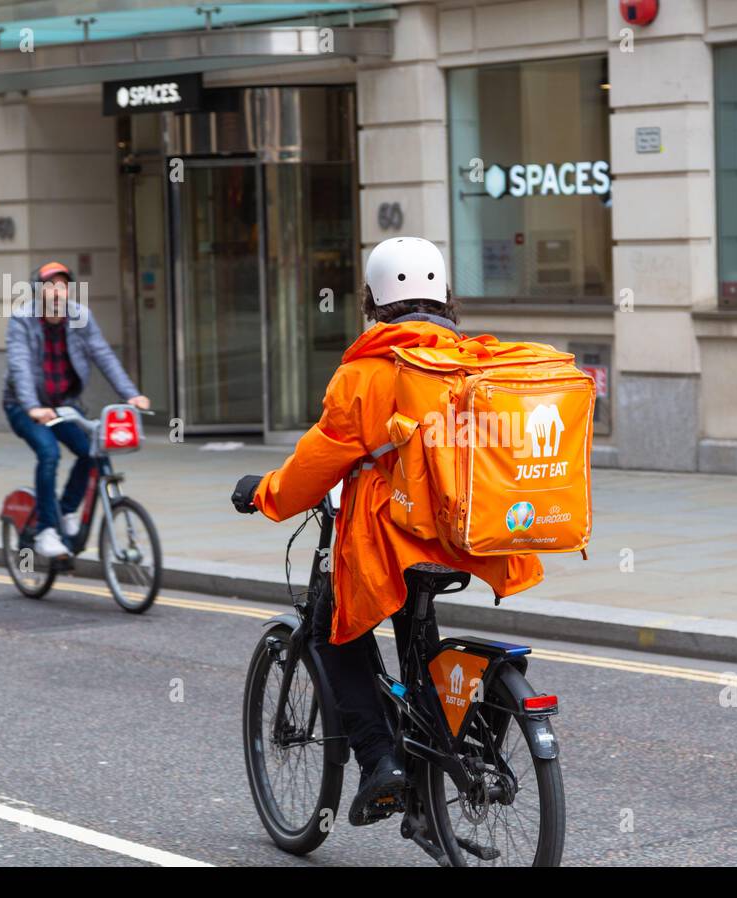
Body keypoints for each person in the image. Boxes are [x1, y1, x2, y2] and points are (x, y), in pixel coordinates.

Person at [232, 237, 543, 827]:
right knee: (418, 634)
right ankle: (456, 736)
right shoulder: (474, 361)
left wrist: (264, 492)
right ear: (445, 296)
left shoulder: (366, 375)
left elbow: (312, 470)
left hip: (395, 537)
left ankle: (383, 765)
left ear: (372, 300)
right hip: (471, 537)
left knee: (332, 635)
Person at [2, 262, 149, 559]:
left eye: (62, 285)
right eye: (50, 285)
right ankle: (45, 531)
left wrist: (131, 395)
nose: (57, 292)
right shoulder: (22, 320)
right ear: (38, 291)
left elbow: (103, 354)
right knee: (49, 454)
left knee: (93, 451)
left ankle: (67, 510)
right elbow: (20, 366)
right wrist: (32, 407)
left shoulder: (80, 317)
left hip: (64, 406)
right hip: (23, 406)